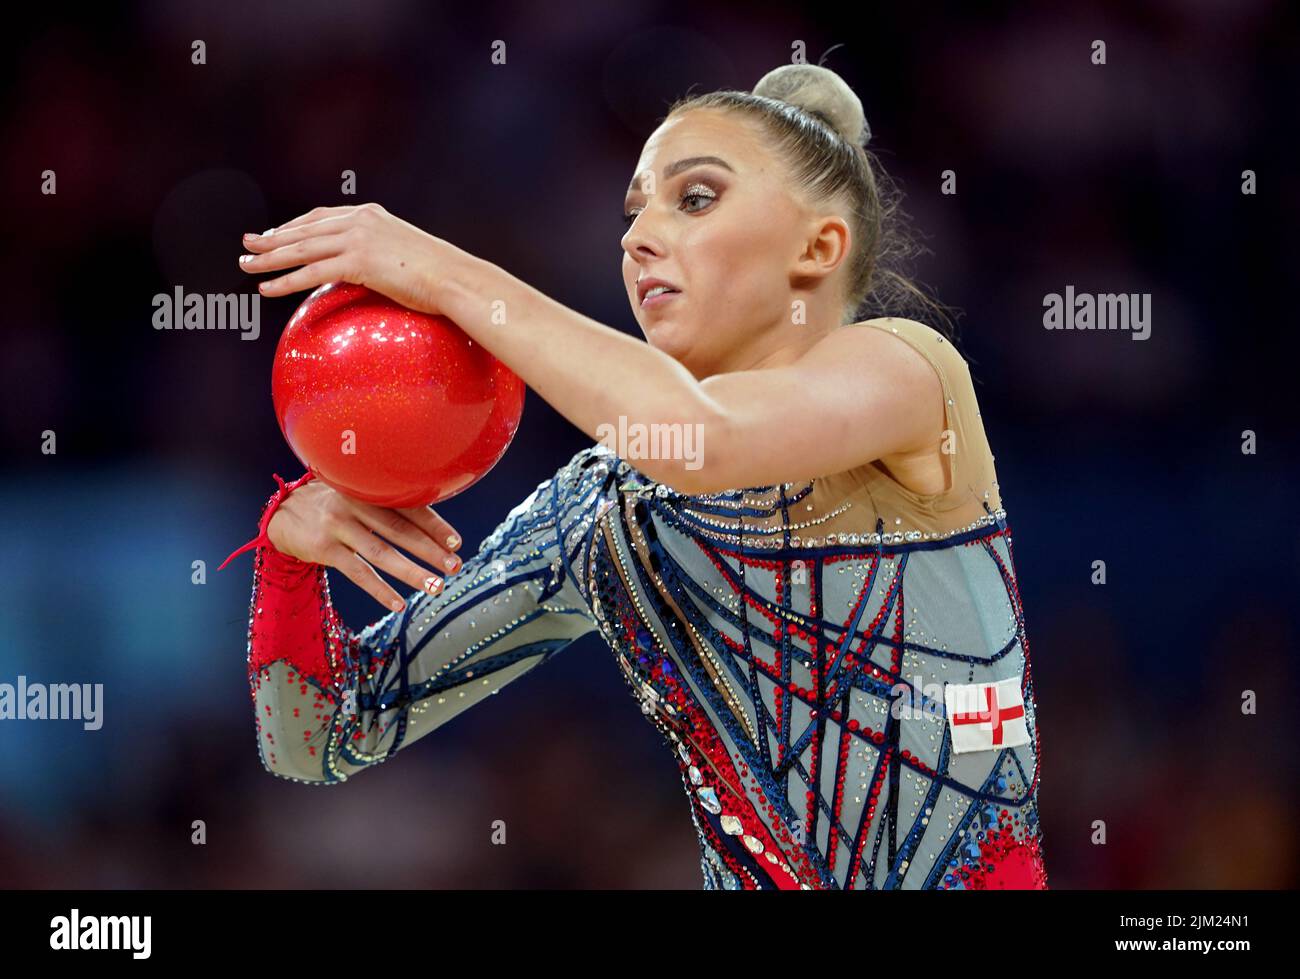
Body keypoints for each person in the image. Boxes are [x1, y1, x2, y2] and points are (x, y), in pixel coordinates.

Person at [222, 63, 1048, 890]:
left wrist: (444, 272)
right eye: (634, 211)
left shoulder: (908, 373)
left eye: (693, 199)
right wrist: (290, 551)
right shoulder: (606, 510)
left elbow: (699, 441)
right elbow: (320, 736)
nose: (636, 236)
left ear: (818, 247)